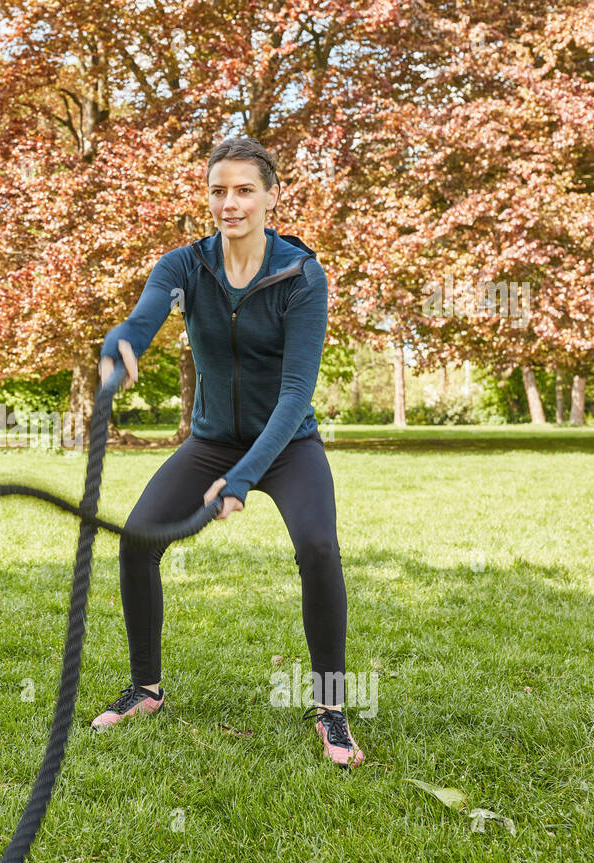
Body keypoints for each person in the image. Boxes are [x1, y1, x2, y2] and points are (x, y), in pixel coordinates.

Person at [91, 135, 363, 768]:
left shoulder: (300, 274)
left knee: (319, 548)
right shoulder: (186, 266)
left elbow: (296, 393)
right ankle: (146, 690)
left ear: (270, 197)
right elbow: (145, 316)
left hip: (288, 443)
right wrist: (124, 340)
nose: (230, 203)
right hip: (213, 439)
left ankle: (330, 707)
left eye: (244, 190)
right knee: (137, 539)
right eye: (218, 190)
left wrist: (243, 478)